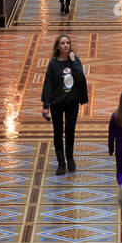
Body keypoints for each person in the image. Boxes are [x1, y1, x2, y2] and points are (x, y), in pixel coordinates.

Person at [41, 33, 88, 175]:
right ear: (58, 46)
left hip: (72, 102)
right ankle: (61, 162)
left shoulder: (74, 60)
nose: (66, 45)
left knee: (70, 131)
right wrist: (45, 106)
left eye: (68, 43)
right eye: (62, 43)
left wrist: (74, 62)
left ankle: (70, 158)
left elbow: (81, 78)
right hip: (57, 103)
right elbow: (48, 85)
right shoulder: (53, 64)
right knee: (58, 132)